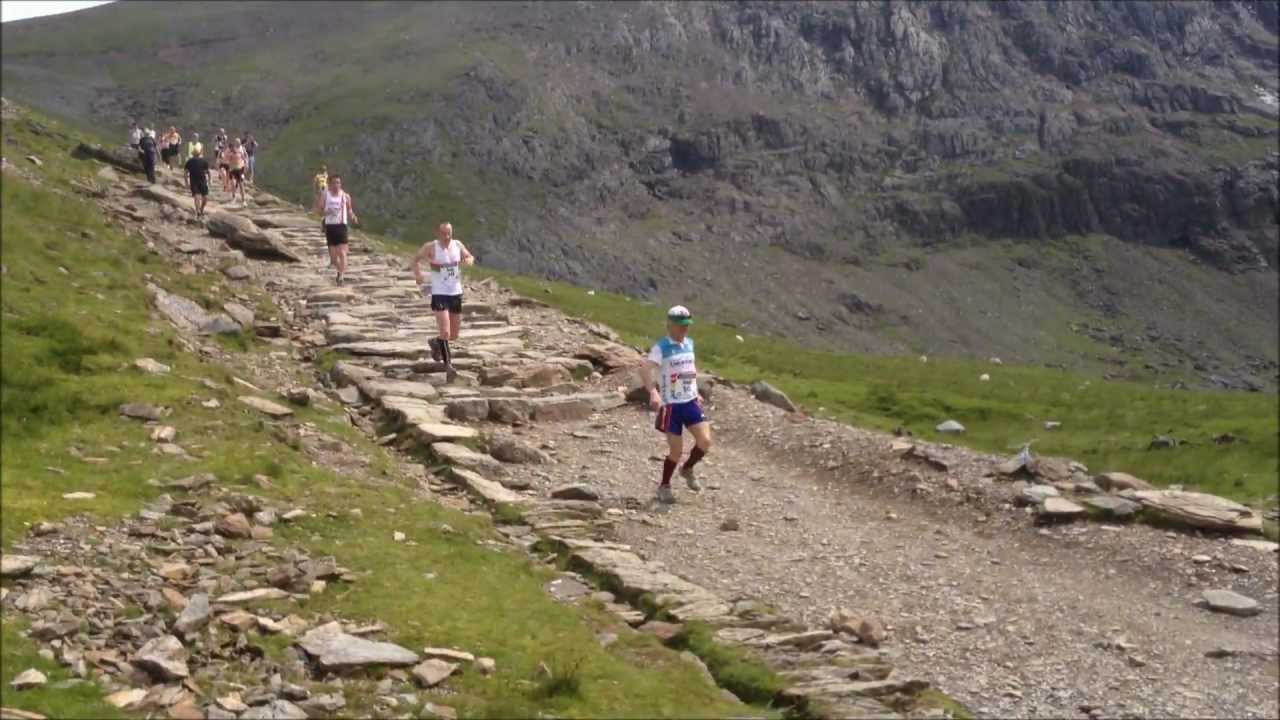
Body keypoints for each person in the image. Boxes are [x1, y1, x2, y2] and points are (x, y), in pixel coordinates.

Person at [640, 305, 711, 504]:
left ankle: (687, 468)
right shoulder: (661, 347)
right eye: (680, 326)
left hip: (689, 401)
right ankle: (664, 486)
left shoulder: (689, 343)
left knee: (704, 441)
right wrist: (653, 392)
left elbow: (690, 368)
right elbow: (645, 369)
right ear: (670, 325)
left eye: (687, 325)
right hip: (672, 406)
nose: (684, 330)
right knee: (676, 451)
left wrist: (695, 390)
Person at [412, 222, 475, 381]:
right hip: (439, 293)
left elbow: (469, 256)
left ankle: (435, 342)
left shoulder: (457, 244)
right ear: (438, 233)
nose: (446, 237)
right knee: (445, 332)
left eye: (449, 234)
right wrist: (418, 275)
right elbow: (415, 260)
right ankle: (449, 366)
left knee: (453, 335)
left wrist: (468, 260)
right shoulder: (431, 247)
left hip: (455, 293)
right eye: (443, 234)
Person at [313, 174, 358, 285]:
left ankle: (341, 276)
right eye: (334, 183)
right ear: (330, 184)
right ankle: (339, 270)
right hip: (330, 226)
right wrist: (326, 212)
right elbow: (319, 210)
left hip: (341, 226)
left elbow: (350, 210)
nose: (336, 185)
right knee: (333, 258)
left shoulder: (345, 196)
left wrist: (353, 216)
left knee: (342, 253)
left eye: (338, 183)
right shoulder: (325, 195)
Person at [184, 147, 211, 219]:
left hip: (203, 181)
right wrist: (186, 182)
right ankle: (198, 212)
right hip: (194, 181)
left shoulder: (204, 161)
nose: (196, 155)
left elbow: (208, 172)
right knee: (196, 197)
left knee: (205, 198)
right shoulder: (189, 162)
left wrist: (210, 180)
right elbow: (185, 172)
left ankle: (201, 209)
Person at [227, 138, 248, 205]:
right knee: (233, 183)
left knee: (241, 184)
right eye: (236, 142)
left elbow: (244, 157)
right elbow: (228, 159)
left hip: (239, 169)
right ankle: (234, 198)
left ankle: (243, 200)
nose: (237, 143)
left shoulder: (242, 149)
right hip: (232, 169)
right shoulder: (232, 150)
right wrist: (231, 154)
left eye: (238, 142)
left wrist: (246, 164)